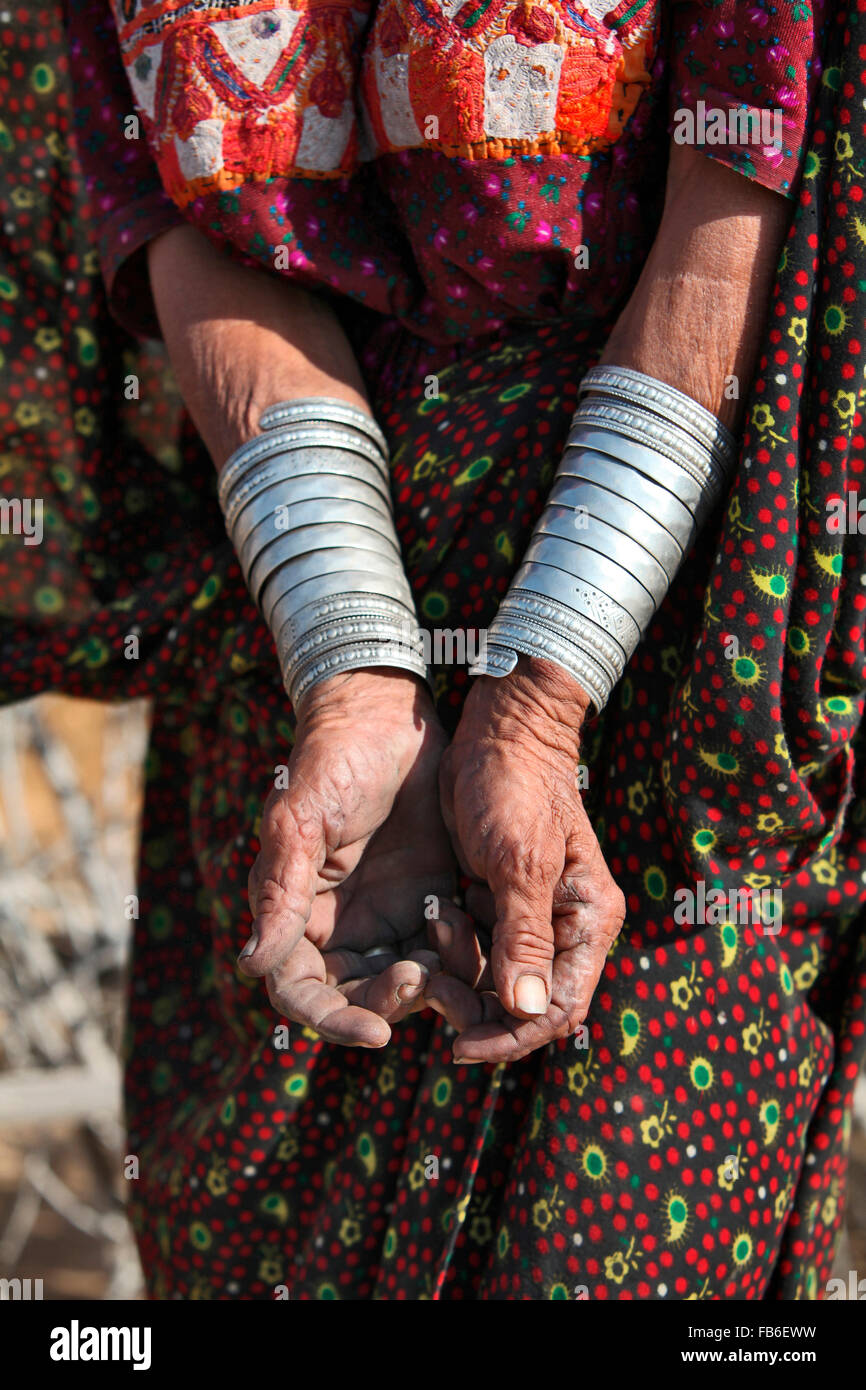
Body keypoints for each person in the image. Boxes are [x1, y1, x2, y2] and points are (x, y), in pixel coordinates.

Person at [0, 0, 862, 1298]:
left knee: (615, 1243)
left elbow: (726, 208)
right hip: (297, 619)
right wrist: (352, 674)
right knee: (271, 1224)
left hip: (674, 626)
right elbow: (197, 225)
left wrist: (541, 697)